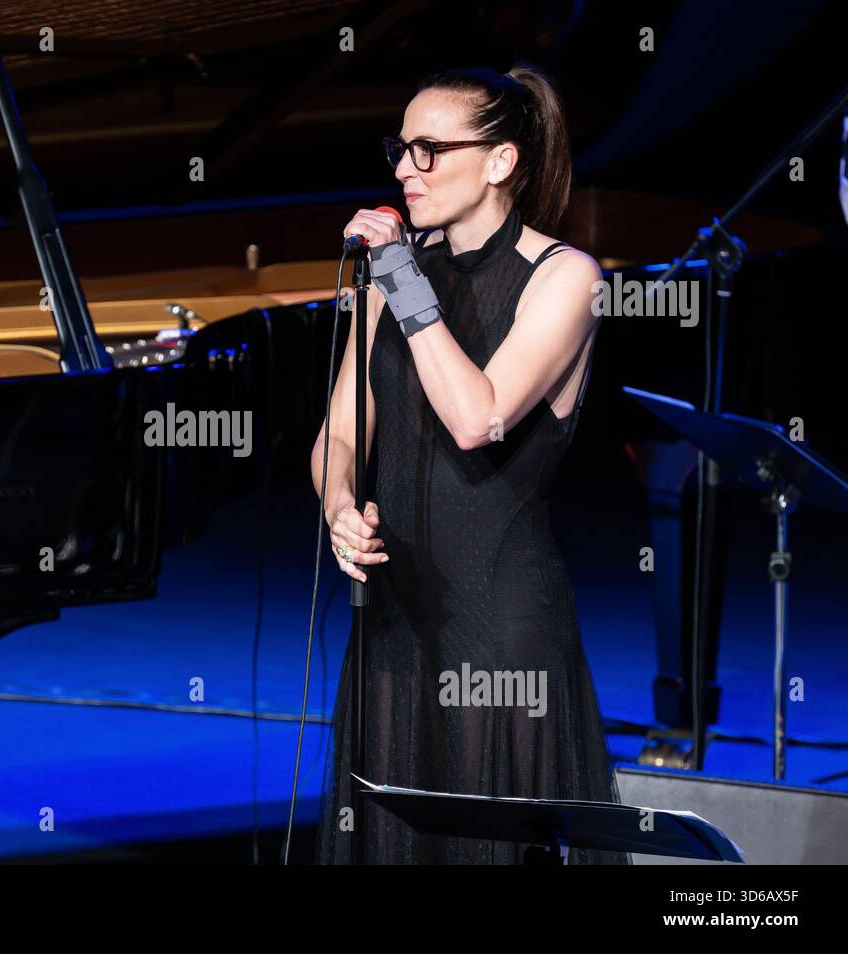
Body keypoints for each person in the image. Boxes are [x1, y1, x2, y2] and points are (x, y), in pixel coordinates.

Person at [311, 64, 628, 863]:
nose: (403, 170)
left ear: (500, 162)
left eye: (428, 150)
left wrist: (405, 283)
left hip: (501, 635)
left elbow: (477, 417)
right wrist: (339, 501)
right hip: (395, 623)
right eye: (399, 149)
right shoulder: (395, 276)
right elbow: (340, 432)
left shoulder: (568, 280)